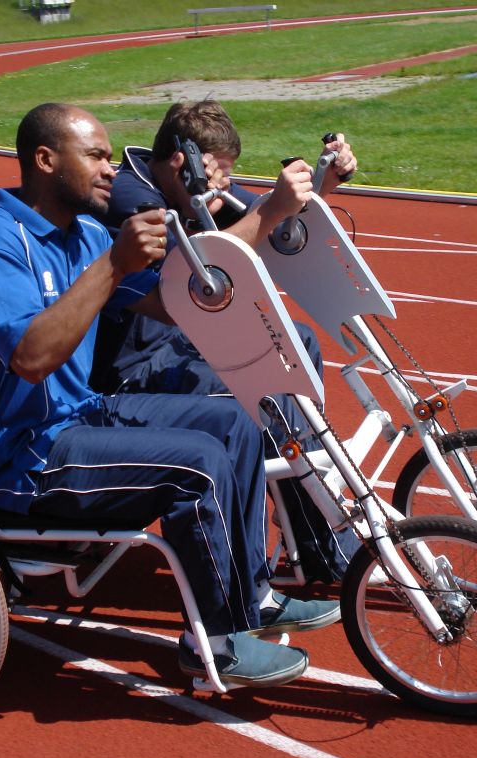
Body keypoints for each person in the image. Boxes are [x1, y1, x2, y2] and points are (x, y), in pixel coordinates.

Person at [0, 102, 341, 689]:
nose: (110, 169)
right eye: (95, 156)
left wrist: (226, 259)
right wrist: (114, 262)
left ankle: (253, 598)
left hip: (83, 414)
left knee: (236, 421)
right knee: (200, 463)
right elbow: (31, 359)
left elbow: (173, 303)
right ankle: (215, 643)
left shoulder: (86, 234)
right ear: (45, 160)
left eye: (111, 157)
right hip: (27, 454)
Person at [92, 99, 361, 583]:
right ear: (182, 161)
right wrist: (271, 209)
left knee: (294, 340)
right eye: (220, 174)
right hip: (132, 371)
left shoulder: (192, 180)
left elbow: (261, 215)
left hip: (180, 346)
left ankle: (309, 528)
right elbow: (189, 286)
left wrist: (321, 182)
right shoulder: (130, 198)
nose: (223, 185)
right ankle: (283, 558)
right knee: (266, 378)